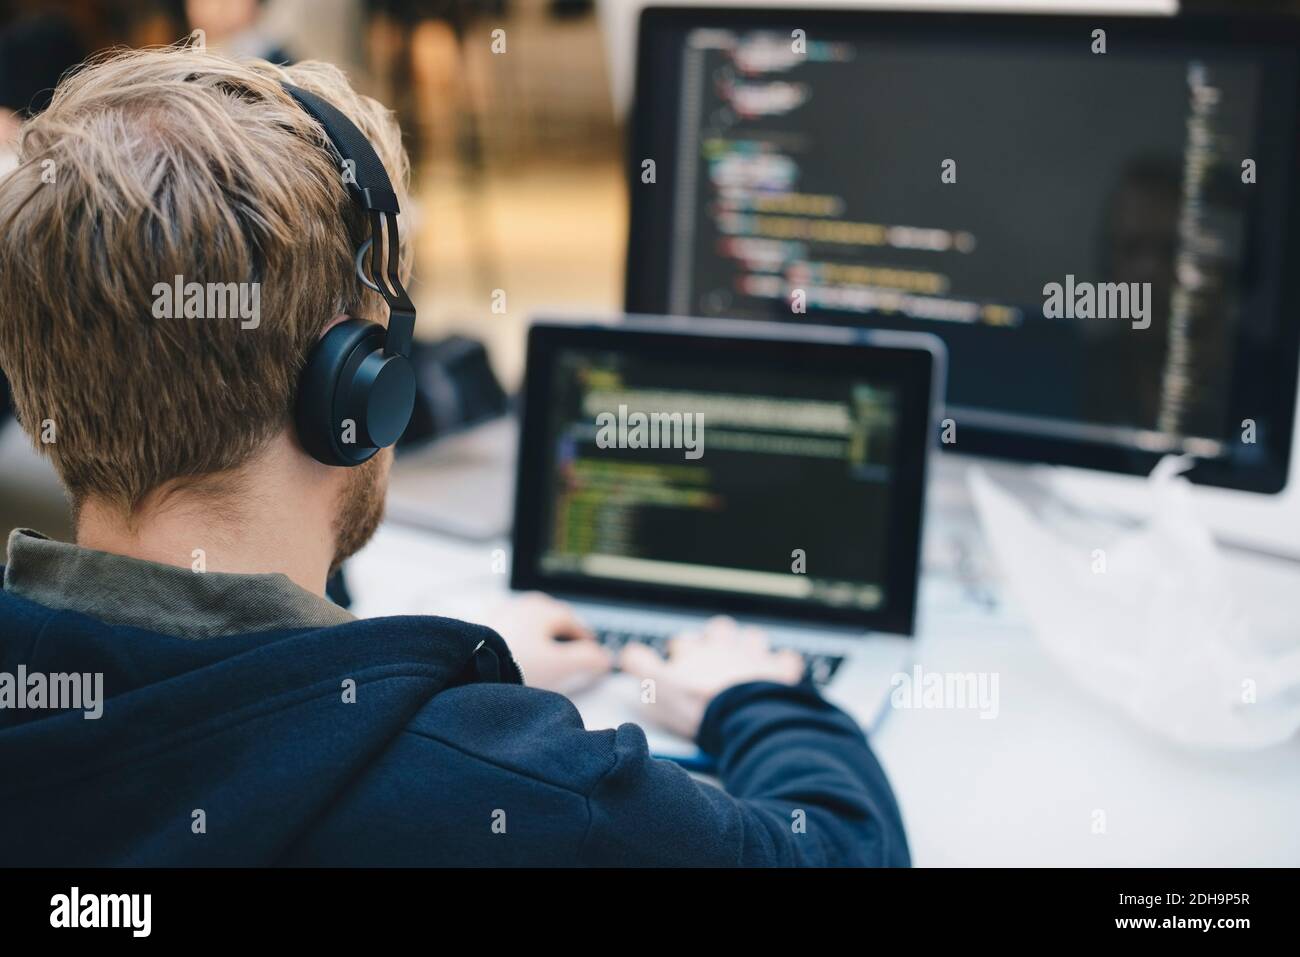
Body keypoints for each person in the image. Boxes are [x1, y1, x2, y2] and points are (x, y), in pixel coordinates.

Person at [0, 46, 909, 866]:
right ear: (356, 389)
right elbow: (837, 852)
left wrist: (413, 664)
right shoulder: (524, 799)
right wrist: (756, 699)